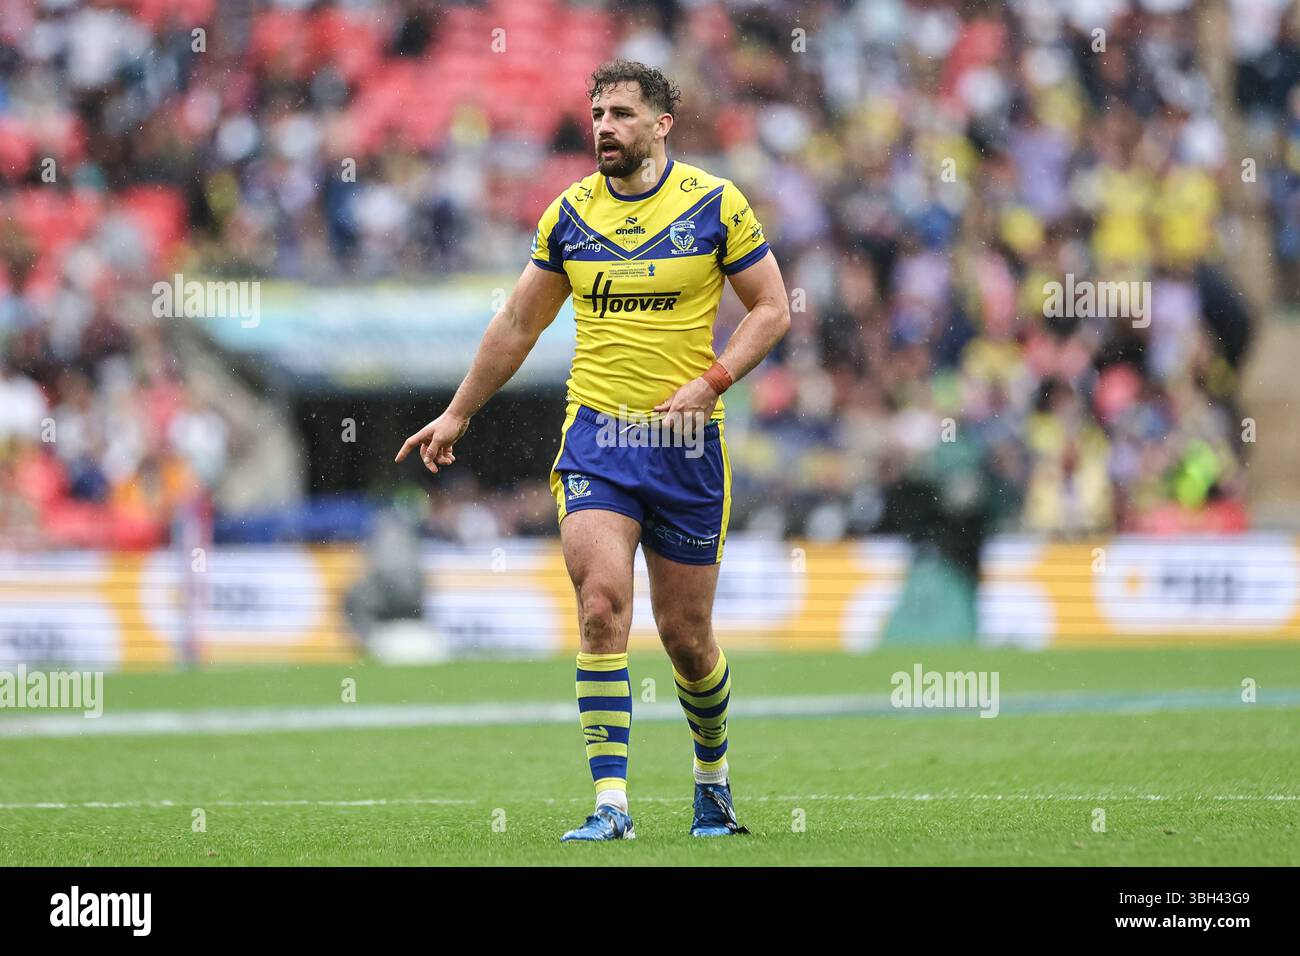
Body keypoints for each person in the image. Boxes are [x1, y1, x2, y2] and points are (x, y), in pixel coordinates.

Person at [395, 60, 789, 841]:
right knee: (601, 603)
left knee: (687, 638)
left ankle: (712, 777)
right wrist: (457, 414)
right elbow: (517, 324)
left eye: (620, 113)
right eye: (596, 112)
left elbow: (772, 310)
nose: (603, 126)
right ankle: (612, 804)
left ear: (661, 124)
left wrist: (712, 381)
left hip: (684, 447)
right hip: (597, 442)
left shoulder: (715, 205)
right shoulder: (569, 215)